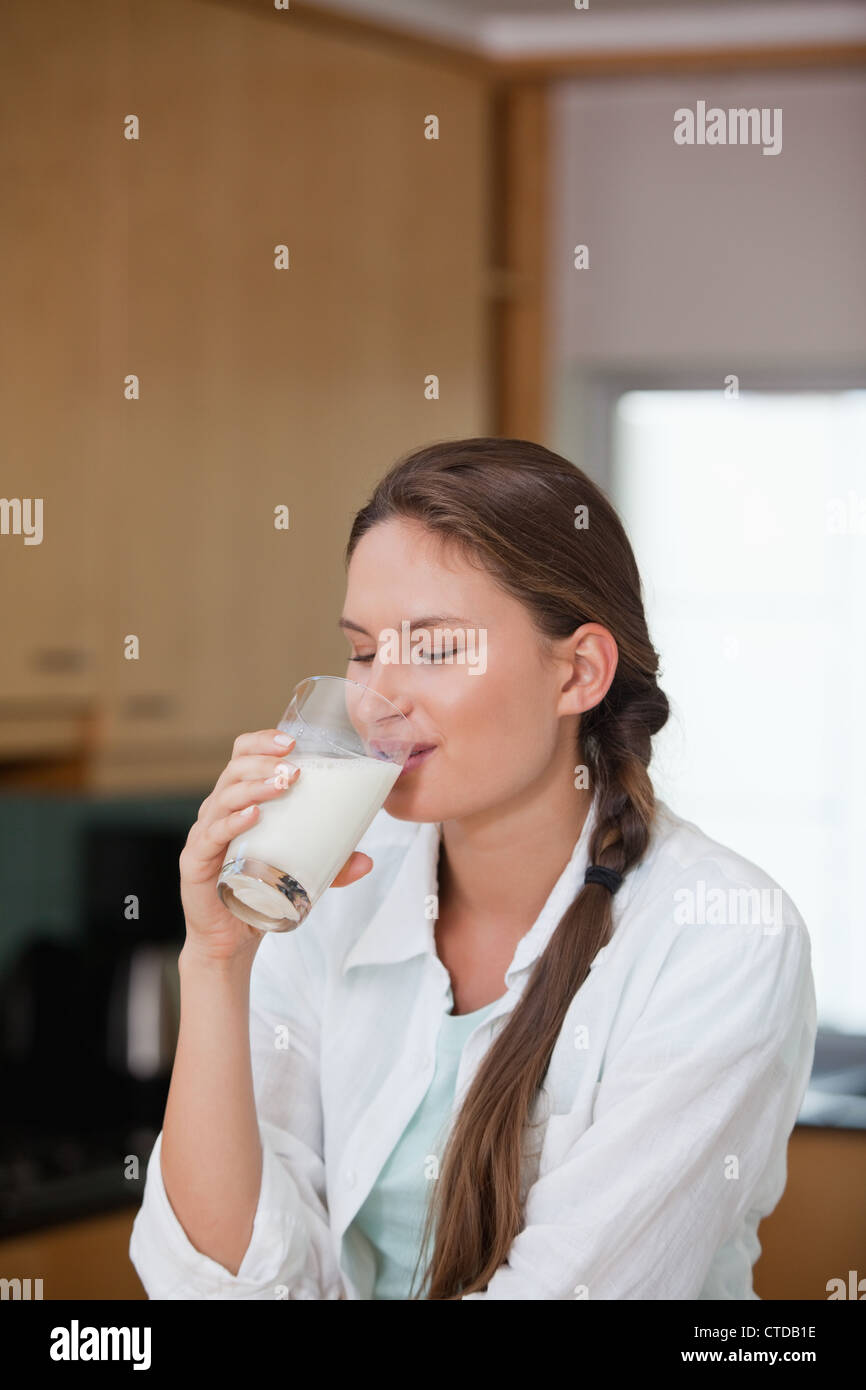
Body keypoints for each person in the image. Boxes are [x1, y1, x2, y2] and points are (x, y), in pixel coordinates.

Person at [129, 437, 817, 1300]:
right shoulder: (326, 888)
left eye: (437, 649)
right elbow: (217, 1286)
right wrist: (216, 961)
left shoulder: (721, 938)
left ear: (578, 673)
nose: (379, 700)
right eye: (365, 651)